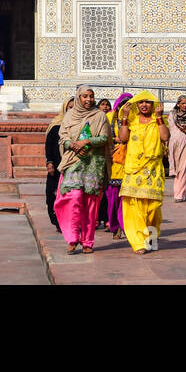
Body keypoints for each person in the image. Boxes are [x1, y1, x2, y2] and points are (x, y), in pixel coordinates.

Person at [53, 85, 112, 254]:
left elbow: (104, 138)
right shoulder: (70, 115)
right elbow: (63, 136)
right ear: (78, 98)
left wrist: (86, 142)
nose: (89, 99)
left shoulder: (100, 116)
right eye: (85, 96)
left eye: (91, 96)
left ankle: (87, 241)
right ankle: (72, 238)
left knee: (90, 205)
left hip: (93, 164)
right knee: (72, 198)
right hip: (73, 162)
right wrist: (71, 144)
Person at [117, 90, 169, 254]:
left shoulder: (159, 120)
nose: (144, 105)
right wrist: (125, 117)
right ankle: (138, 242)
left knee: (153, 208)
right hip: (134, 169)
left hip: (153, 169)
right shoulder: (131, 120)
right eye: (141, 102)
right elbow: (123, 138)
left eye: (147, 102)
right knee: (134, 208)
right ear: (136, 105)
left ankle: (151, 237)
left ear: (153, 104)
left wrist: (159, 117)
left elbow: (165, 137)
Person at [105, 92, 131, 239]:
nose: (125, 108)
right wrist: (117, 140)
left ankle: (126, 226)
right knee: (114, 197)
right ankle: (115, 226)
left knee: (127, 198)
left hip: (132, 161)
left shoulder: (135, 119)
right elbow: (105, 136)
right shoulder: (110, 118)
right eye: (123, 105)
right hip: (115, 161)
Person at [45, 97, 73, 226]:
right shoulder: (56, 125)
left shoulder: (80, 124)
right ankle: (57, 219)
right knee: (54, 194)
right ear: (65, 108)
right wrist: (49, 162)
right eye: (70, 107)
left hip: (73, 165)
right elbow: (49, 145)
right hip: (57, 164)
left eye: (75, 107)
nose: (72, 110)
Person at [95, 98, 113, 228]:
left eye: (107, 105)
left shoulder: (114, 120)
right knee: (95, 191)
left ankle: (107, 218)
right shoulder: (93, 120)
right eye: (102, 104)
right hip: (95, 158)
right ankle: (95, 218)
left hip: (109, 158)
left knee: (108, 190)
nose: (105, 107)